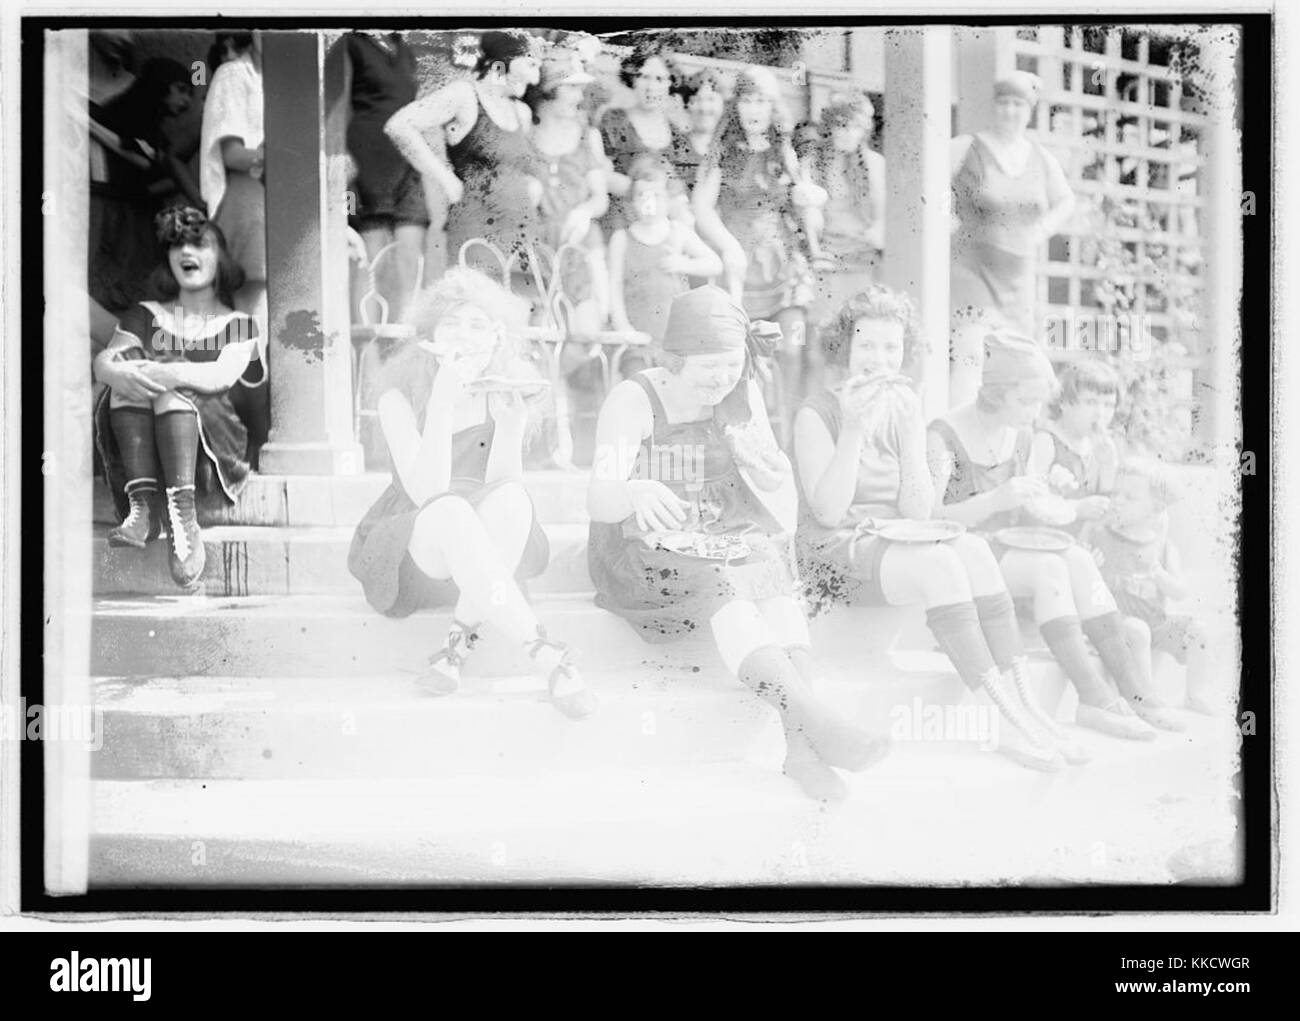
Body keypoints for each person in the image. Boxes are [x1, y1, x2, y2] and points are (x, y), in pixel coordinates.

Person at [587, 285, 888, 802]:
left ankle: (802, 748)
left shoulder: (739, 388)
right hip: (642, 548)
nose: (721, 378)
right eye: (708, 368)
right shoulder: (634, 399)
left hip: (719, 529)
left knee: (769, 564)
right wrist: (634, 488)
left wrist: (768, 470)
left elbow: (769, 478)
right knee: (724, 577)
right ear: (673, 360)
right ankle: (818, 721)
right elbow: (599, 498)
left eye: (730, 365)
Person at [794, 287, 1085, 771]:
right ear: (844, 348)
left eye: (891, 348)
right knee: (941, 564)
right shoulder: (816, 413)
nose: (879, 359)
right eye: (866, 346)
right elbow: (826, 512)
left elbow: (919, 513)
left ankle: (1027, 707)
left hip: (887, 542)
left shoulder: (904, 406)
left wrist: (911, 437)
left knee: (970, 548)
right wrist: (853, 429)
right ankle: (1005, 720)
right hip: (834, 550)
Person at [347, 268, 598, 720]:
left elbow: (504, 488)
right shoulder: (398, 395)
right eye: (451, 323)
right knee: (451, 511)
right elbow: (428, 492)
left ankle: (455, 646)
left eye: (478, 324)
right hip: (420, 545)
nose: (464, 336)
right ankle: (546, 655)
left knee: (513, 499)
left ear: (497, 338)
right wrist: (443, 399)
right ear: (429, 336)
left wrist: (511, 426)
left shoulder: (504, 386)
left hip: (483, 560)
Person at [926, 333, 1178, 738]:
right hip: (962, 557)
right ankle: (1095, 696)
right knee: (1050, 570)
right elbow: (928, 517)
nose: (1036, 413)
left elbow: (1031, 502)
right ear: (994, 394)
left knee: (1075, 557)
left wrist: (1053, 490)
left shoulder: (1021, 435)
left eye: (1039, 403)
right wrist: (992, 501)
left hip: (1006, 547)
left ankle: (1136, 692)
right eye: (1025, 402)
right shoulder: (942, 435)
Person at [91, 206, 263, 590]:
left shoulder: (239, 324)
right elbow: (108, 359)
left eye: (199, 243)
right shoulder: (146, 314)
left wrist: (168, 373)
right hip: (143, 443)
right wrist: (112, 370)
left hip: (208, 447)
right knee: (128, 366)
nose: (187, 252)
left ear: (222, 258)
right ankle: (141, 511)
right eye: (177, 245)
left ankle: (183, 518)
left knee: (165, 380)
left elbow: (221, 375)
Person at [693, 67, 824, 442]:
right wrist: (727, 245)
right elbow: (701, 207)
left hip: (783, 266)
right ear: (737, 106)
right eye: (748, 99)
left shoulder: (783, 150)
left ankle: (793, 441)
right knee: (740, 358)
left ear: (773, 107)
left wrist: (808, 201)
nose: (755, 109)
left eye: (762, 101)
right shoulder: (723, 153)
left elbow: (802, 200)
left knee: (793, 348)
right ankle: (744, 437)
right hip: (740, 268)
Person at [949, 71, 1074, 404]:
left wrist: (1042, 230)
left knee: (1013, 360)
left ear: (1029, 111)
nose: (1010, 111)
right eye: (1003, 103)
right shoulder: (967, 146)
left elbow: (1066, 200)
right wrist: (944, 218)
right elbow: (929, 181)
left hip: (1017, 276)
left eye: (1018, 104)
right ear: (995, 107)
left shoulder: (1040, 157)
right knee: (971, 350)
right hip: (971, 265)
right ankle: (958, 431)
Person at [384, 30, 545, 276]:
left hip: (522, 233)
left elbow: (524, 168)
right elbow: (399, 125)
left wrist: (533, 186)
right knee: (479, 309)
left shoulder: (520, 112)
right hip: (476, 232)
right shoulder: (465, 95)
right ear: (500, 63)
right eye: (531, 64)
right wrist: (445, 178)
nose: (535, 79)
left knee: (527, 308)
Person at [1081, 459, 1216, 716]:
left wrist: (1158, 574)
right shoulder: (1099, 533)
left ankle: (1195, 695)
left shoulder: (1163, 547)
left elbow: (1180, 591)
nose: (1117, 500)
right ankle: (1144, 697)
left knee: (1199, 632)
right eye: (1114, 493)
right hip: (1116, 622)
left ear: (1155, 509)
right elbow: (1081, 578)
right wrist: (1091, 564)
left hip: (1156, 622)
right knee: (1138, 630)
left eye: (1129, 497)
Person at [90, 56, 201, 315]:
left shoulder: (152, 124)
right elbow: (144, 161)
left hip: (137, 201)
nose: (185, 101)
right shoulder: (129, 115)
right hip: (120, 204)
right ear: (160, 86)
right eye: (181, 91)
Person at [525, 41, 613, 332]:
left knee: (588, 331)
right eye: (571, 87)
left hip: (580, 241)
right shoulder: (526, 134)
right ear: (549, 90)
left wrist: (585, 212)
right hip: (538, 244)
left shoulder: (588, 136)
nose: (579, 96)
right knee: (542, 332)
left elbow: (600, 199)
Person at [345, 31, 430, 314]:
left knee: (410, 258)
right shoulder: (351, 44)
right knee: (373, 261)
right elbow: (335, 102)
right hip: (368, 159)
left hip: (407, 161)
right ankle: (367, 351)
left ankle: (404, 343)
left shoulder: (403, 47)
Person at [607, 154, 723, 345]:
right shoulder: (621, 239)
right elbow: (614, 288)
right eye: (642, 196)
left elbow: (714, 264)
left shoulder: (677, 232)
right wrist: (624, 328)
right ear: (632, 200)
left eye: (657, 196)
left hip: (674, 334)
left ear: (669, 199)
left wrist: (684, 264)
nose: (649, 205)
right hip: (636, 335)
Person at [200, 32, 266, 327]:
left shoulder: (290, 76)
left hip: (280, 193)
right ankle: (256, 371)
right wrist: (277, 157)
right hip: (248, 194)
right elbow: (232, 155)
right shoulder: (233, 74)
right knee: (255, 302)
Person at [804, 92, 885, 330]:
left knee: (859, 329)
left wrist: (877, 232)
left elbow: (882, 220)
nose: (848, 132)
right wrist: (815, 252)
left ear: (864, 130)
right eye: (841, 125)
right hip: (825, 260)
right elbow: (809, 216)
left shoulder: (875, 164)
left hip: (863, 260)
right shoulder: (813, 162)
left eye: (855, 126)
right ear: (830, 126)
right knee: (821, 331)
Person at [598, 45, 691, 227]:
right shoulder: (614, 121)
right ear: (633, 79)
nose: (651, 86)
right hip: (621, 217)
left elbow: (679, 190)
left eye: (659, 79)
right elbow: (601, 175)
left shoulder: (676, 134)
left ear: (669, 83)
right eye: (644, 77)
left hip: (663, 222)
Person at [1028, 359, 1121, 528]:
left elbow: (1109, 504)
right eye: (1090, 402)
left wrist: (1108, 466)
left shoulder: (1100, 447)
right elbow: (1032, 505)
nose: (1100, 413)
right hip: (1048, 536)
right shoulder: (1046, 441)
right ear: (1063, 402)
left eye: (1108, 405)